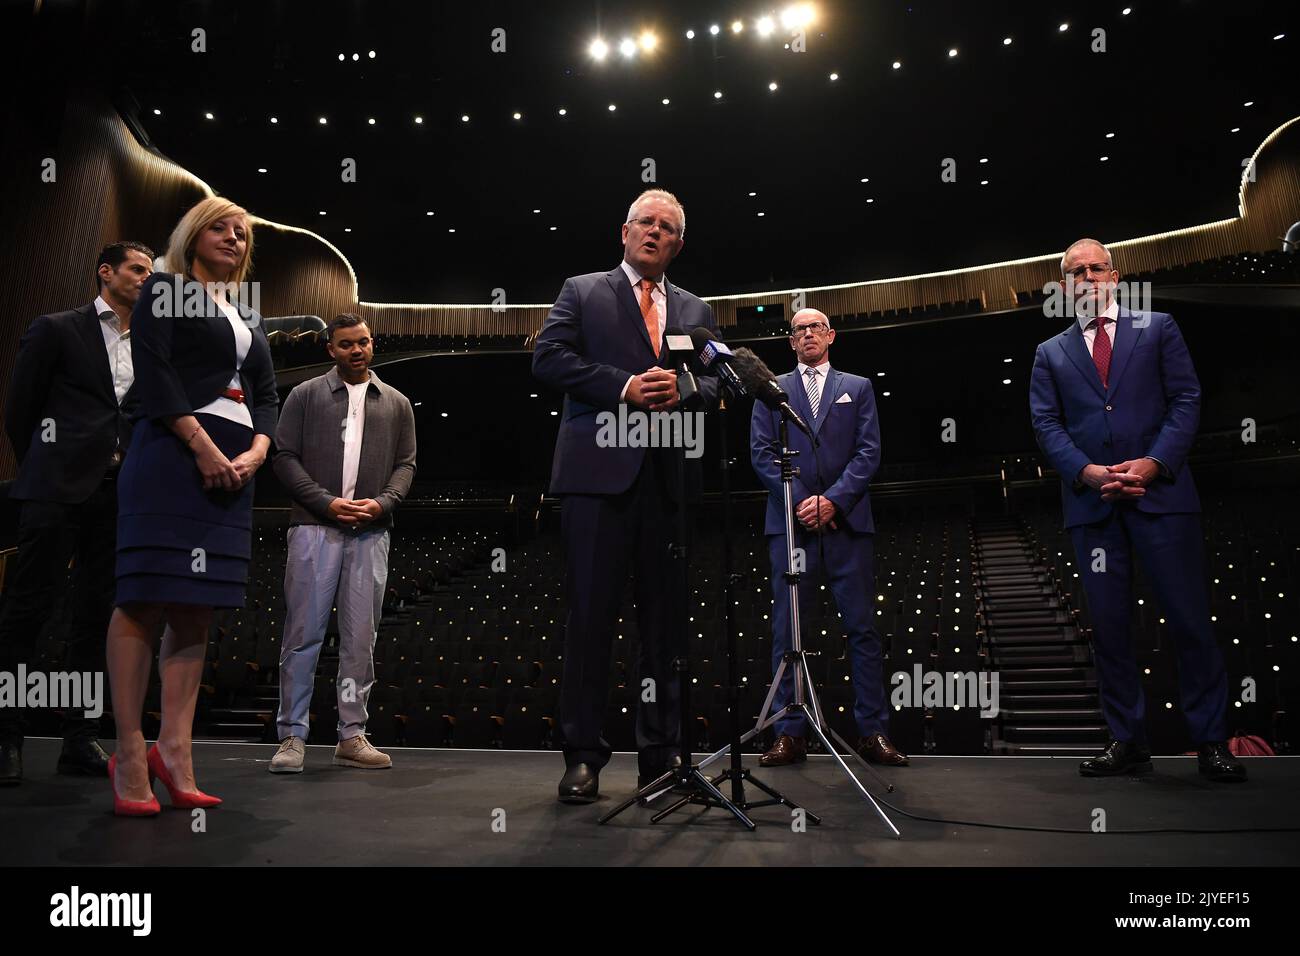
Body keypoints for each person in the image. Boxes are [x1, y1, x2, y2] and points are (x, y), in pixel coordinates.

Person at [1029, 237, 1245, 782]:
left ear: (1116, 275)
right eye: (1075, 272)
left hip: (1162, 499)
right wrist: (1087, 471)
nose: (1087, 278)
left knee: (1191, 622)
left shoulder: (1159, 327)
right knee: (1109, 629)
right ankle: (1127, 740)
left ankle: (1212, 741)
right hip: (1094, 505)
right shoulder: (1050, 352)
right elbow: (1046, 425)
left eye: (1095, 268)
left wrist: (1153, 463)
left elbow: (1186, 400)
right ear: (1066, 285)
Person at [531, 188, 717, 803]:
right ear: (625, 231)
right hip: (597, 480)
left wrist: (685, 392)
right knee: (590, 622)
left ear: (678, 244)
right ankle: (583, 756)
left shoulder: (695, 308)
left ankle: (660, 757)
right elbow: (549, 359)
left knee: (664, 630)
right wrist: (625, 386)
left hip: (669, 486)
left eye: (667, 227)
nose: (654, 232)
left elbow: (716, 380)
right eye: (646, 222)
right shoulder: (582, 290)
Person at [105, 197, 279, 815]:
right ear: (192, 234)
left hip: (236, 468)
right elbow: (153, 376)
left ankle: (174, 750)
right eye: (221, 227)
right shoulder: (164, 289)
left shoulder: (248, 311)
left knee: (197, 609)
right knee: (144, 598)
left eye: (243, 232)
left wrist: (258, 450)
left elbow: (266, 392)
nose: (235, 238)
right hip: (173, 457)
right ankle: (128, 751)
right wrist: (203, 447)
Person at [0, 242, 153, 784]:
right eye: (137, 268)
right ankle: (7, 738)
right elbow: (20, 412)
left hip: (119, 494)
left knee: (97, 620)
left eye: (151, 272)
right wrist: (47, 467)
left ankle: (80, 738)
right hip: (55, 490)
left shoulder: (154, 344)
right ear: (105, 272)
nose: (145, 278)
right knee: (27, 612)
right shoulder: (56, 327)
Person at [750, 309, 906, 768]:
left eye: (816, 327)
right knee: (788, 632)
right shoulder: (769, 391)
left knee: (861, 631)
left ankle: (873, 733)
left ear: (831, 335)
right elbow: (762, 454)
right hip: (791, 526)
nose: (808, 334)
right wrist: (802, 502)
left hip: (848, 525)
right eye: (799, 330)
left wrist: (833, 502)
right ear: (792, 342)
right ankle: (789, 734)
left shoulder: (857, 387)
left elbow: (869, 451)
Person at [269, 313, 416, 773]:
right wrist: (326, 503)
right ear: (330, 349)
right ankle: (292, 735)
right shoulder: (305, 395)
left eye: (365, 342)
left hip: (371, 530)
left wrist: (384, 503)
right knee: (303, 636)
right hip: (314, 527)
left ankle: (352, 735)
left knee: (359, 639)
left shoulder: (396, 402)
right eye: (347, 344)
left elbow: (406, 464)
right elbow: (284, 457)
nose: (358, 350)